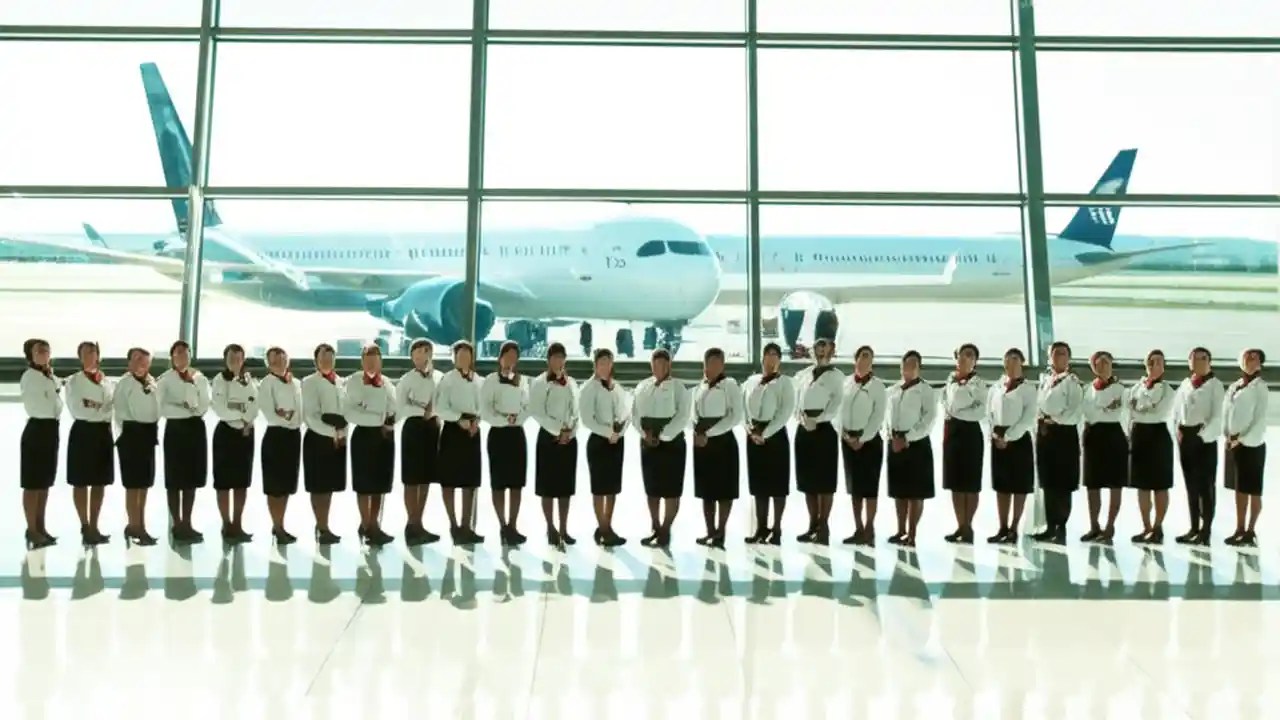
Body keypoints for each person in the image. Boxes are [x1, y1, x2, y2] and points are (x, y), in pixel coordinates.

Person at [632, 348, 691, 548]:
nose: (659, 368)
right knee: (652, 489)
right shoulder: (642, 386)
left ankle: (666, 529)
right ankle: (655, 527)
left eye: (663, 364)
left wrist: (663, 436)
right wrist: (645, 435)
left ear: (669, 365)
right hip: (648, 443)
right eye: (655, 364)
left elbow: (683, 416)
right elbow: (634, 414)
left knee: (671, 490)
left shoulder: (679, 388)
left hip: (672, 443)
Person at [343, 344, 397, 547]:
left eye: (375, 359)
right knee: (364, 485)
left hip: (384, 437)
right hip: (364, 436)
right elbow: (350, 412)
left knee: (380, 485)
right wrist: (378, 417)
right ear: (362, 361)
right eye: (368, 359)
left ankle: (374, 524)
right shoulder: (354, 381)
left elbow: (394, 408)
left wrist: (387, 419)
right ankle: (366, 525)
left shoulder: (387, 383)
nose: (371, 363)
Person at [157, 340, 210, 544]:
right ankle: (176, 522)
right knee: (174, 478)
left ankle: (187, 522)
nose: (183, 356)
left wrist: (185, 407)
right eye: (178, 353)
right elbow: (162, 407)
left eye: (186, 352)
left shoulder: (199, 378)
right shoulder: (165, 380)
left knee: (191, 479)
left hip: (195, 430)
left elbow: (203, 406)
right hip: (175, 430)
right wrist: (185, 408)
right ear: (172, 356)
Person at [742, 342, 795, 545]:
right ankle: (761, 527)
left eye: (775, 355)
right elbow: (743, 407)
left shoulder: (784, 383)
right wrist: (749, 429)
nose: (771, 358)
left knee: (777, 485)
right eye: (768, 354)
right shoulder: (751, 381)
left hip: (775, 435)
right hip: (753, 435)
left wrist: (766, 433)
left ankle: (777, 528)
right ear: (762, 358)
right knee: (759, 485)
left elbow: (785, 411)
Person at [690, 347, 743, 549]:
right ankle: (709, 531)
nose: (711, 367)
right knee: (707, 490)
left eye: (715, 363)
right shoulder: (699, 387)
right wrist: (697, 432)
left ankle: (721, 531)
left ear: (722, 365)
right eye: (708, 363)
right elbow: (693, 414)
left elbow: (735, 415)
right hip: (702, 442)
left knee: (724, 490)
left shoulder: (729, 385)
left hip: (723, 441)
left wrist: (710, 433)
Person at [793, 337, 844, 544]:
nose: (821, 351)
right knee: (808, 482)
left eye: (825, 347)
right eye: (817, 347)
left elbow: (837, 404)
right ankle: (812, 524)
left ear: (832, 351)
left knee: (824, 482)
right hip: (804, 429)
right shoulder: (803, 375)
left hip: (823, 430)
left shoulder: (837, 376)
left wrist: (818, 420)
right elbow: (796, 401)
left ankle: (823, 526)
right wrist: (801, 419)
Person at [529, 342, 580, 547]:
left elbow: (576, 411)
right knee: (548, 487)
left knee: (565, 487)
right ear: (548, 360)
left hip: (569, 438)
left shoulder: (572, 382)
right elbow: (537, 411)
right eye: (555, 357)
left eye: (561, 357)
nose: (558, 361)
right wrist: (558, 430)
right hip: (548, 438)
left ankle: (564, 528)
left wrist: (570, 431)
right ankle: (550, 527)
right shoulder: (540, 382)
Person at [885, 350, 937, 548]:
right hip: (895, 442)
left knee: (916, 492)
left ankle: (912, 534)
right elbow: (887, 416)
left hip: (916, 444)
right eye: (907, 364)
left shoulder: (926, 390)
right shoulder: (893, 390)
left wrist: (907, 438)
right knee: (899, 491)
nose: (910, 368)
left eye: (914, 364)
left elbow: (928, 420)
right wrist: (890, 437)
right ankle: (900, 530)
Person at [1034, 341, 1084, 545]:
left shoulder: (1072, 382)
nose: (1058, 357)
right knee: (1048, 481)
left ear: (1069, 358)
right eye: (1055, 353)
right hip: (1046, 434)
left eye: (1062, 353)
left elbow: (1075, 411)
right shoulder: (1046, 381)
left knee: (1063, 483)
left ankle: (1061, 528)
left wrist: (1054, 419)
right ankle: (1050, 526)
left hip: (1064, 434)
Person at [1173, 346, 1224, 547]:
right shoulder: (1186, 384)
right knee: (1191, 486)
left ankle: (1206, 530)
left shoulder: (1215, 385)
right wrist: (1178, 430)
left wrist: (1202, 436)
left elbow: (1218, 416)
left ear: (1209, 362)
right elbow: (1177, 410)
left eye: (1202, 358)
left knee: (1206, 486)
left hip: (1203, 439)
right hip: (1185, 436)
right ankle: (1193, 527)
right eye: (1194, 358)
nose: (1198, 362)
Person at [579, 348, 629, 547]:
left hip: (617, 441)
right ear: (595, 365)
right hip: (599, 441)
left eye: (608, 363)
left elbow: (625, 412)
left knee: (612, 487)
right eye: (601, 363)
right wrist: (608, 433)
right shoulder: (589, 388)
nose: (605, 367)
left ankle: (606, 526)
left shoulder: (616, 387)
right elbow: (587, 419)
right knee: (599, 488)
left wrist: (620, 430)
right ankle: (603, 528)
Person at [435, 340, 484, 544]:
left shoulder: (478, 380)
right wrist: (458, 419)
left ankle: (467, 526)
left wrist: (477, 421)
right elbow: (440, 408)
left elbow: (483, 405)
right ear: (454, 357)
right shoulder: (447, 380)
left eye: (467, 355)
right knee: (449, 480)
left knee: (470, 481)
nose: (464, 358)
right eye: (460, 355)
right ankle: (453, 524)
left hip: (472, 431)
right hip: (453, 431)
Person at [481, 341, 530, 546]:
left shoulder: (523, 381)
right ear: (500, 358)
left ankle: (513, 525)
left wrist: (517, 419)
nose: (510, 360)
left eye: (514, 356)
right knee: (499, 482)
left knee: (516, 483)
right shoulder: (491, 380)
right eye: (507, 356)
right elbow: (485, 409)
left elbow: (527, 406)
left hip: (516, 433)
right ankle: (502, 525)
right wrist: (503, 420)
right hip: (498, 433)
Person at [64, 341, 113, 546]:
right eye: (86, 353)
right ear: (80, 357)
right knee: (81, 480)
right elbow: (78, 408)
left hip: (103, 432)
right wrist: (100, 408)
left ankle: (94, 524)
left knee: (100, 481)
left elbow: (110, 409)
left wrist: (95, 406)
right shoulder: (74, 381)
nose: (91, 355)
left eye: (93, 352)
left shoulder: (107, 382)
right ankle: (84, 525)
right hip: (83, 432)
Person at [986, 348, 1037, 544]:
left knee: (1019, 486)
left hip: (1018, 439)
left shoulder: (1028, 389)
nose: (1012, 362)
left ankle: (1014, 527)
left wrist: (1008, 436)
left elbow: (1028, 418)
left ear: (1022, 362)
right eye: (1008, 359)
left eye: (1015, 358)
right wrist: (995, 435)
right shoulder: (996, 387)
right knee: (1002, 486)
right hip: (998, 438)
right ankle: (1002, 527)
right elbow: (989, 413)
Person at [210, 343, 258, 544]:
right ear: (225, 360)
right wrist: (242, 417)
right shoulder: (219, 380)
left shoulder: (249, 380)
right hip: (226, 434)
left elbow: (255, 404)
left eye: (239, 359)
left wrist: (246, 419)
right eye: (232, 359)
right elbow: (221, 409)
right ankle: (226, 523)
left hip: (246, 434)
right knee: (223, 483)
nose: (235, 362)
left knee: (241, 483)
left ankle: (238, 524)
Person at [397, 340, 443, 545]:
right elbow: (400, 407)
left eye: (423, 352)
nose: (419, 357)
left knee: (426, 477)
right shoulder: (406, 379)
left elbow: (443, 401)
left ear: (430, 354)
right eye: (415, 354)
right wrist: (421, 410)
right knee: (411, 478)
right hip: (413, 428)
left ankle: (419, 523)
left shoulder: (440, 377)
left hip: (432, 428)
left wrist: (433, 413)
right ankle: (411, 523)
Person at [1127, 349, 1175, 544]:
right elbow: (1130, 411)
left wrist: (1141, 408)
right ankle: (1146, 526)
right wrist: (1144, 408)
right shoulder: (1136, 388)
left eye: (1158, 362)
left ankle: (1158, 526)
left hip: (1158, 436)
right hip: (1139, 435)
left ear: (1164, 366)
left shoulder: (1168, 390)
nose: (1154, 366)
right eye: (1150, 362)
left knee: (1160, 485)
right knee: (1142, 485)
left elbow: (1159, 412)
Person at [114, 347, 161, 546]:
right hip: (131, 436)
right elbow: (134, 411)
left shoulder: (151, 382)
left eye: (145, 360)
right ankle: (135, 526)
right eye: (137, 359)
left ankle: (140, 523)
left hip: (148, 436)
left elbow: (156, 409)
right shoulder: (125, 383)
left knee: (144, 485)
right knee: (133, 485)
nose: (141, 363)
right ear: (129, 363)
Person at [941, 343, 987, 544]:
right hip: (953, 433)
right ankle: (961, 525)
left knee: (971, 483)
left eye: (970, 356)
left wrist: (959, 410)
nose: (965, 359)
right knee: (956, 483)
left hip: (970, 435)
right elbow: (948, 405)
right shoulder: (950, 380)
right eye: (962, 355)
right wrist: (960, 408)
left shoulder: (978, 383)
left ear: (975, 361)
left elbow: (979, 411)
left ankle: (969, 525)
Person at [301, 343, 347, 544]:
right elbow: (310, 415)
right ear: (316, 361)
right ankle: (321, 526)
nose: (327, 361)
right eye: (323, 357)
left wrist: (342, 433)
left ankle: (324, 524)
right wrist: (332, 434)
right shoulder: (309, 382)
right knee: (318, 486)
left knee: (329, 486)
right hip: (318, 438)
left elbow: (345, 411)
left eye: (330, 357)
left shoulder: (340, 381)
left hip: (337, 439)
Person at [1081, 351, 1127, 543]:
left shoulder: (1120, 389)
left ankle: (1110, 526)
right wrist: (1102, 410)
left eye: (1106, 363)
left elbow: (1115, 411)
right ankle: (1094, 525)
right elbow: (1088, 413)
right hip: (1092, 436)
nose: (1102, 367)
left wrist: (1099, 410)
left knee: (1115, 484)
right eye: (1098, 364)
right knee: (1093, 484)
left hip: (1113, 436)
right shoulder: (1087, 389)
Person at [258, 347, 303, 545]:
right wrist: (287, 418)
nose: (279, 363)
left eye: (283, 359)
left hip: (293, 436)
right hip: (276, 436)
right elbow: (270, 412)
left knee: (286, 485)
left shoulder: (296, 383)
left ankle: (280, 523)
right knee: (274, 485)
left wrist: (289, 417)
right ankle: (277, 526)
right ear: (268, 364)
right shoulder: (267, 383)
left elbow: (300, 411)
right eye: (275, 361)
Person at [1223, 348, 1268, 547]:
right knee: (1239, 489)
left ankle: (1250, 530)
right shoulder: (1236, 386)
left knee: (1253, 489)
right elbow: (1226, 411)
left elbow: (1259, 419)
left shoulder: (1260, 388)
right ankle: (1239, 528)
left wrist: (1241, 439)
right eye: (1246, 357)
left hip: (1252, 444)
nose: (1249, 359)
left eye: (1254, 357)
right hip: (1234, 443)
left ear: (1260, 363)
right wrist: (1227, 434)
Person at [19, 338, 60, 549]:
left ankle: (41, 527)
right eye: (39, 351)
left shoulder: (49, 376)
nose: (44, 353)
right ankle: (32, 529)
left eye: (47, 350)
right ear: (31, 355)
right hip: (37, 429)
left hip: (51, 429)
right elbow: (42, 405)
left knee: (44, 483)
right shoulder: (31, 376)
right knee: (32, 483)